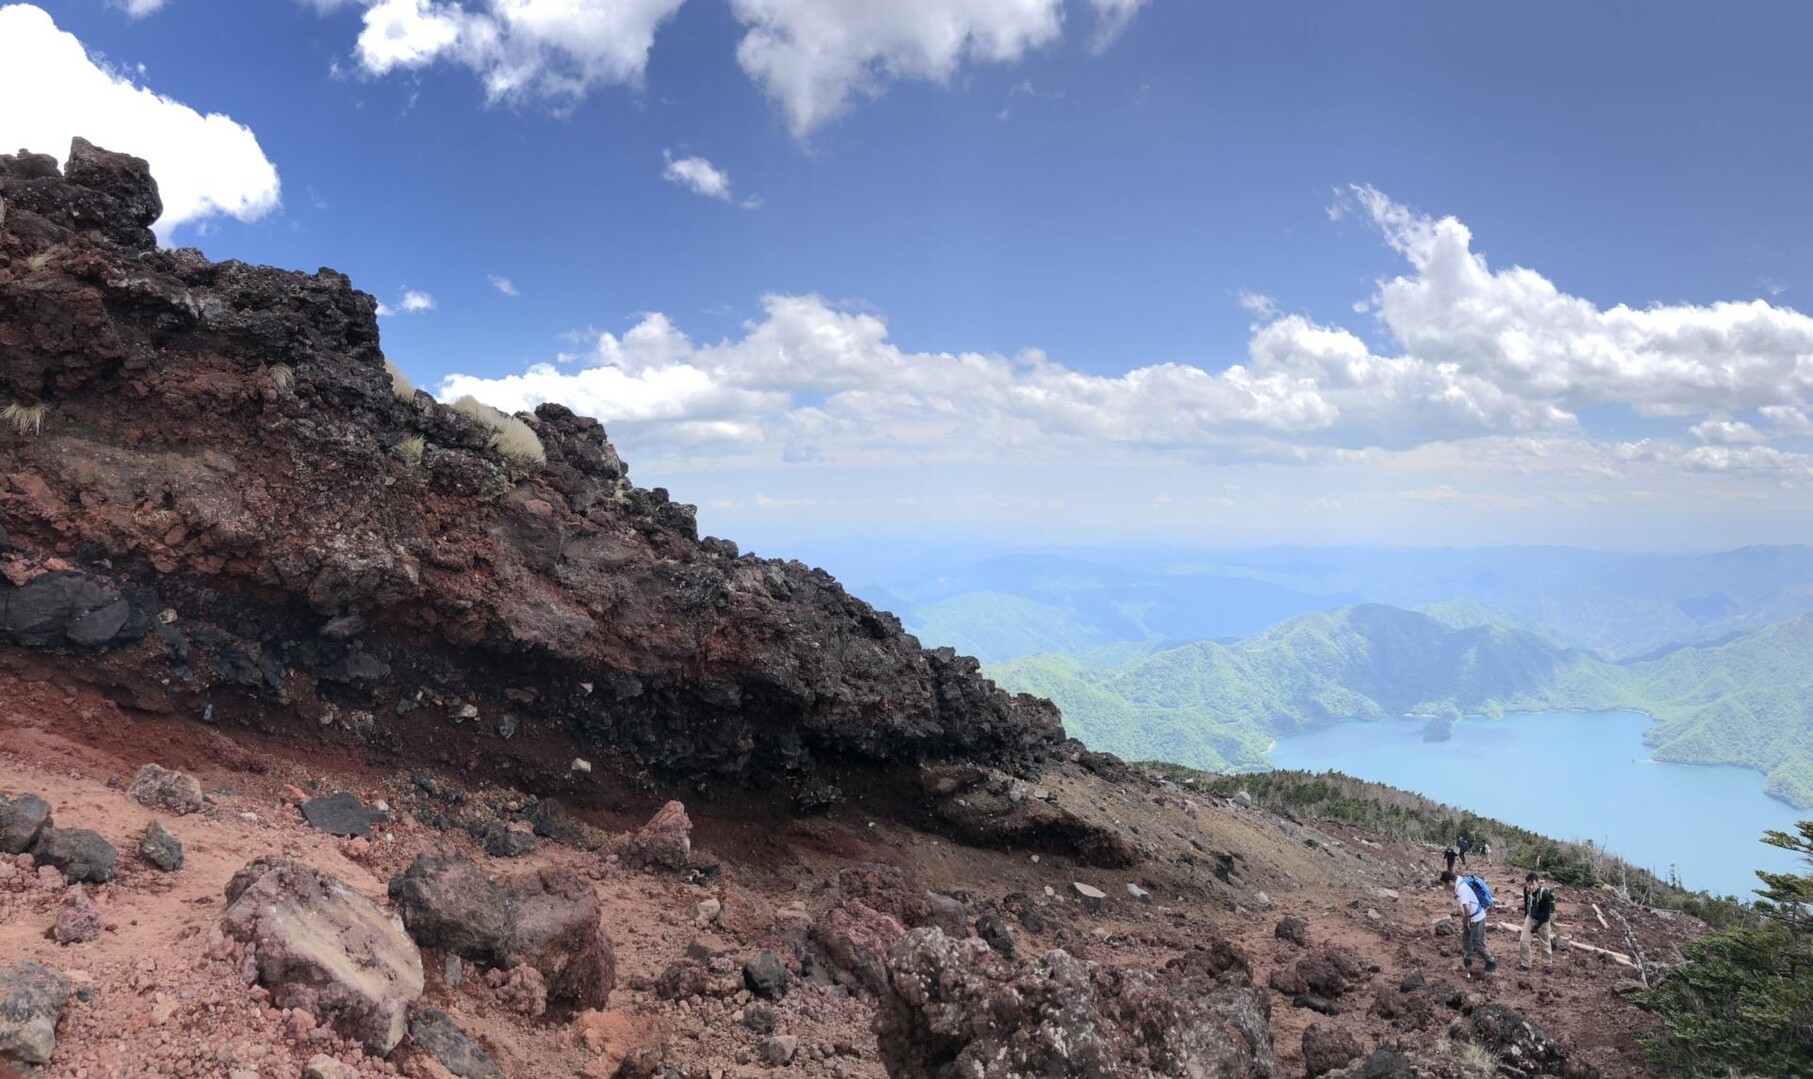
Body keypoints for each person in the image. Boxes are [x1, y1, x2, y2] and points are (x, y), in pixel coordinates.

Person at [1442, 869, 1497, 975]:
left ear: (1450, 882)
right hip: (1473, 915)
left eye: (1446, 885)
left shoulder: (1461, 889)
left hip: (1476, 917)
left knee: (1477, 942)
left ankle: (1491, 961)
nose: (1447, 888)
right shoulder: (1461, 881)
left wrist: (1466, 921)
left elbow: (1466, 908)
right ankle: (1468, 959)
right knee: (1466, 937)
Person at [1519, 871, 1557, 972]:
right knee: (1524, 941)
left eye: (1533, 884)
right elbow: (1526, 904)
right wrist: (1526, 918)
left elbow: (1546, 913)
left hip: (1543, 921)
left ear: (1538, 882)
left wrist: (1537, 926)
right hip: (1531, 917)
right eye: (1529, 884)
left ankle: (1547, 965)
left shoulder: (1544, 894)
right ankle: (1525, 964)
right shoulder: (1526, 890)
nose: (1531, 887)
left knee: (1545, 943)